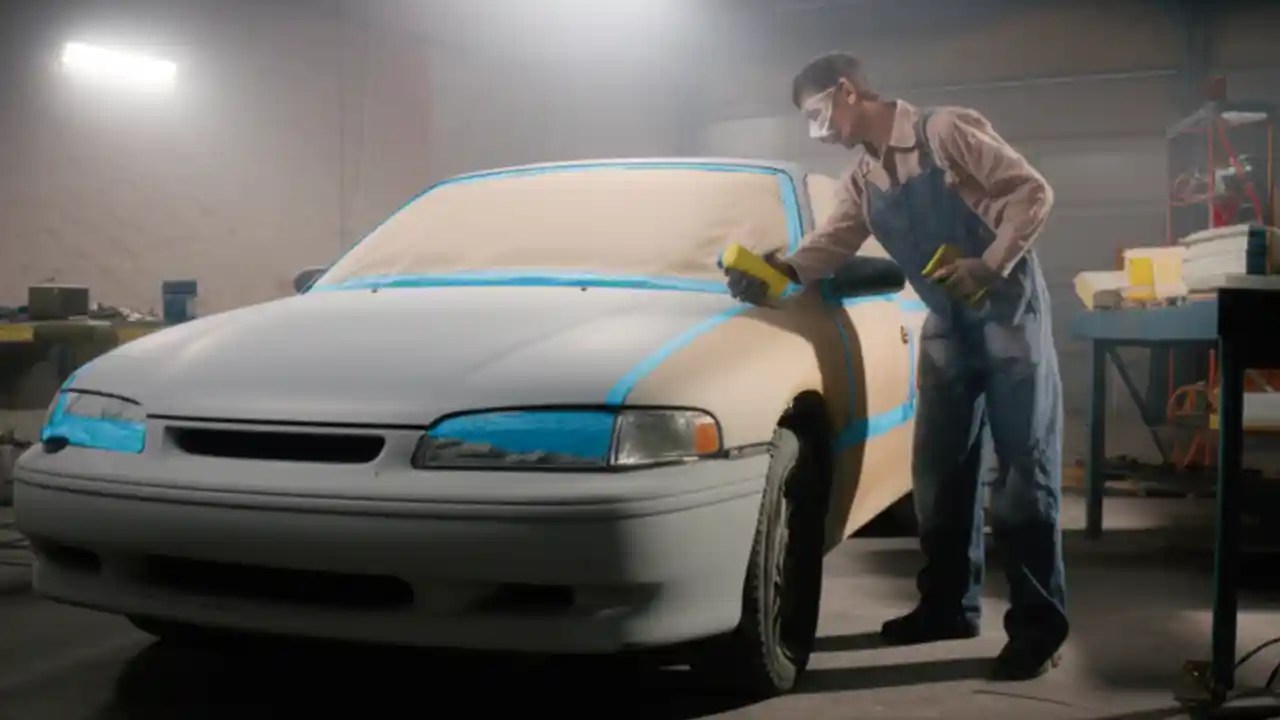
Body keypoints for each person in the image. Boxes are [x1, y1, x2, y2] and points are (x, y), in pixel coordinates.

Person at [725, 52, 1067, 680]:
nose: (816, 129)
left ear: (847, 91)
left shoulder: (944, 131)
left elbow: (1032, 192)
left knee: (1023, 477)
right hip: (946, 322)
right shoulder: (864, 178)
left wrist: (989, 263)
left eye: (815, 113)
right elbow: (831, 244)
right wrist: (775, 274)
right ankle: (947, 607)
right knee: (938, 474)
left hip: (1007, 313)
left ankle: (1038, 630)